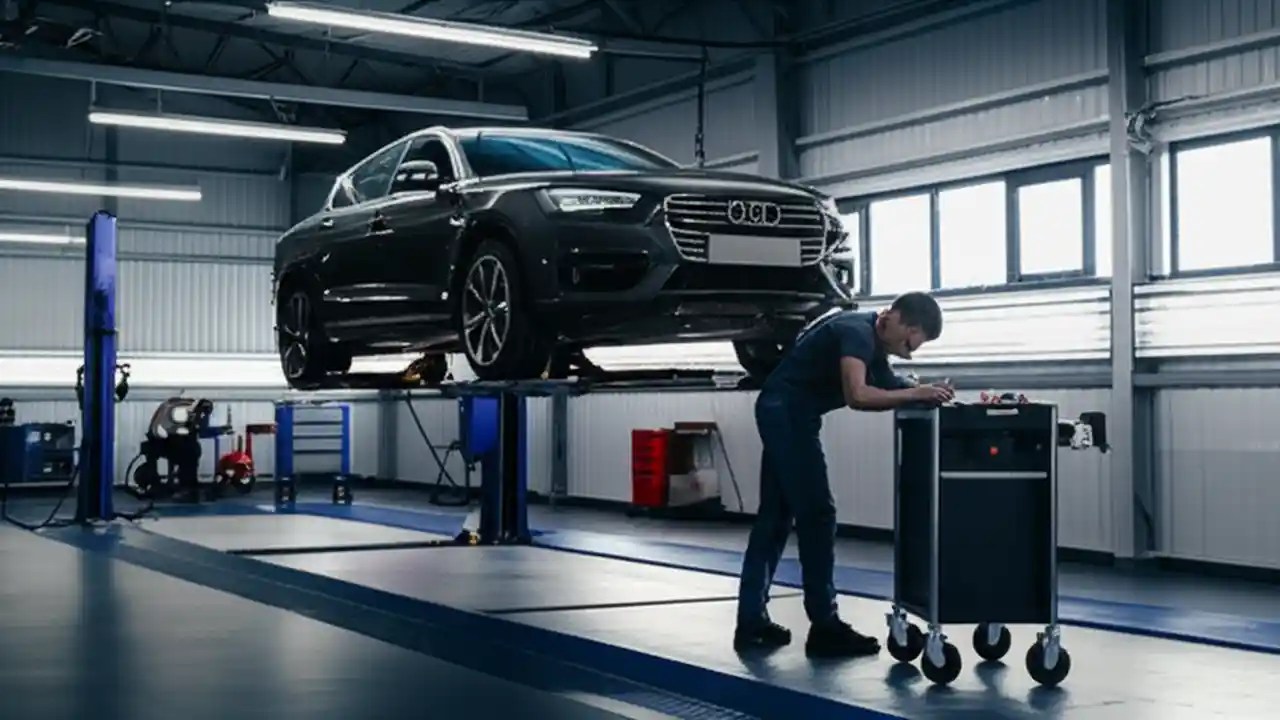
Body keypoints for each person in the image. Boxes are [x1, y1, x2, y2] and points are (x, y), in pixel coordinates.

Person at [734, 291, 953, 658]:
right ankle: (825, 626)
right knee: (818, 515)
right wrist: (917, 394)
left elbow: (888, 383)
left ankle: (751, 622)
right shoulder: (857, 332)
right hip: (786, 415)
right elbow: (859, 395)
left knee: (775, 518)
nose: (911, 352)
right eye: (911, 343)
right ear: (904, 324)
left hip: (783, 410)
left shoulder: (872, 337)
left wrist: (928, 392)